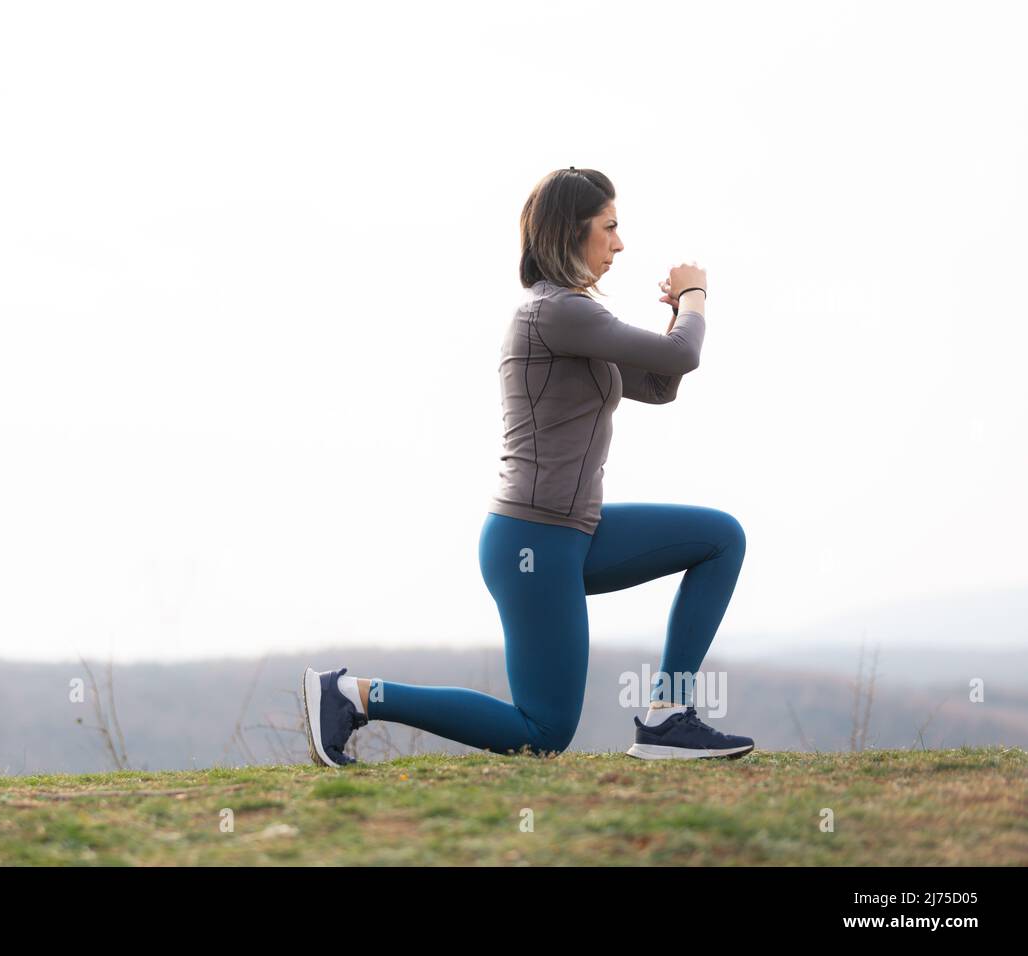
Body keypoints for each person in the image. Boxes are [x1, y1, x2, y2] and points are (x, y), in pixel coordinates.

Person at [303, 167, 753, 767]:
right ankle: (351, 695)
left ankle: (668, 716)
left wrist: (675, 317)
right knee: (543, 731)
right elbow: (683, 357)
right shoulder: (557, 313)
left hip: (572, 531)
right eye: (609, 227)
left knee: (719, 538)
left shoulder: (572, 319)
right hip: (535, 541)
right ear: (573, 231)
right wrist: (696, 297)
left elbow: (660, 382)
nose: (619, 244)